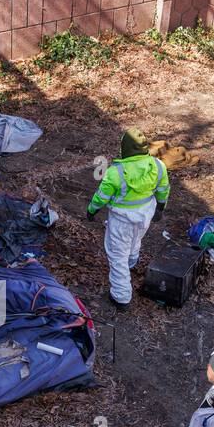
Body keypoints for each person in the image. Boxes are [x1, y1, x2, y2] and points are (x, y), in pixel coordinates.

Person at [87, 130, 169, 311]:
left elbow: (101, 196)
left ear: (124, 149)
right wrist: (161, 208)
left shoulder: (115, 172)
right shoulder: (158, 165)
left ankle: (121, 297)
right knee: (135, 241)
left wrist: (92, 211)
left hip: (122, 220)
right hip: (145, 214)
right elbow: (163, 189)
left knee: (117, 257)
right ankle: (132, 263)